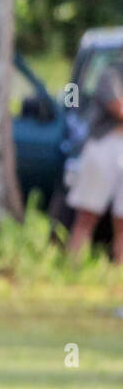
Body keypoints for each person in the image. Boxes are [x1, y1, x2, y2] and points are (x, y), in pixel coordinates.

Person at [66, 54, 123, 263]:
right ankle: (73, 267)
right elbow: (118, 108)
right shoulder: (111, 75)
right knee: (87, 215)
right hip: (103, 146)